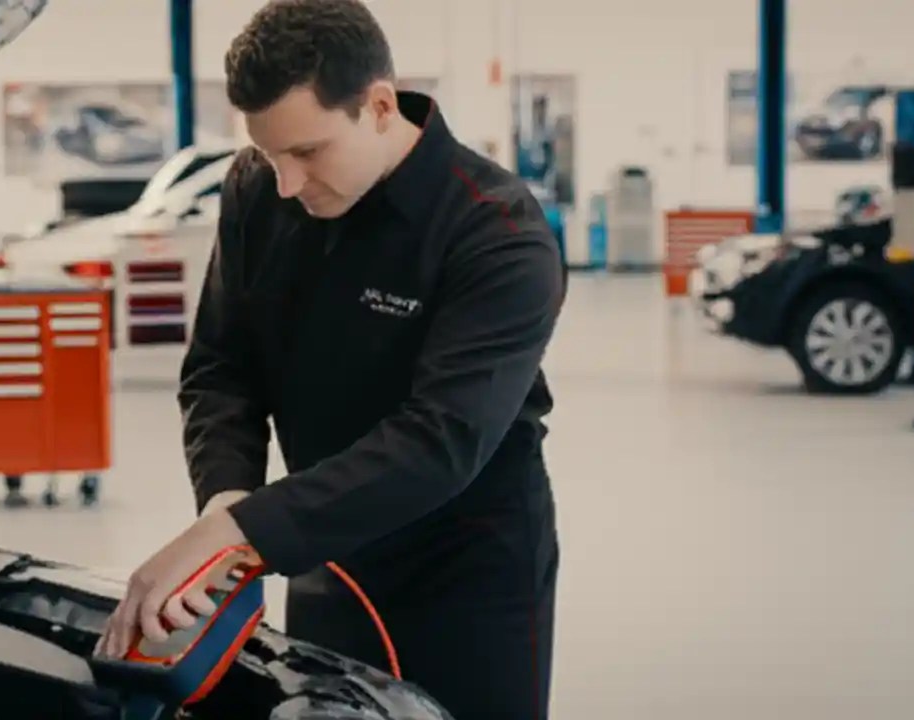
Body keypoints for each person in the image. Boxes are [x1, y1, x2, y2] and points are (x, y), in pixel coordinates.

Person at [94, 1, 566, 717]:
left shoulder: (496, 232)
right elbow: (222, 366)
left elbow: (442, 439)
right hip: (322, 547)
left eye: (308, 152)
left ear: (378, 106)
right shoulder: (257, 188)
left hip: (469, 568)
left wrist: (238, 531)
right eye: (267, 153)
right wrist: (227, 495)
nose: (285, 183)